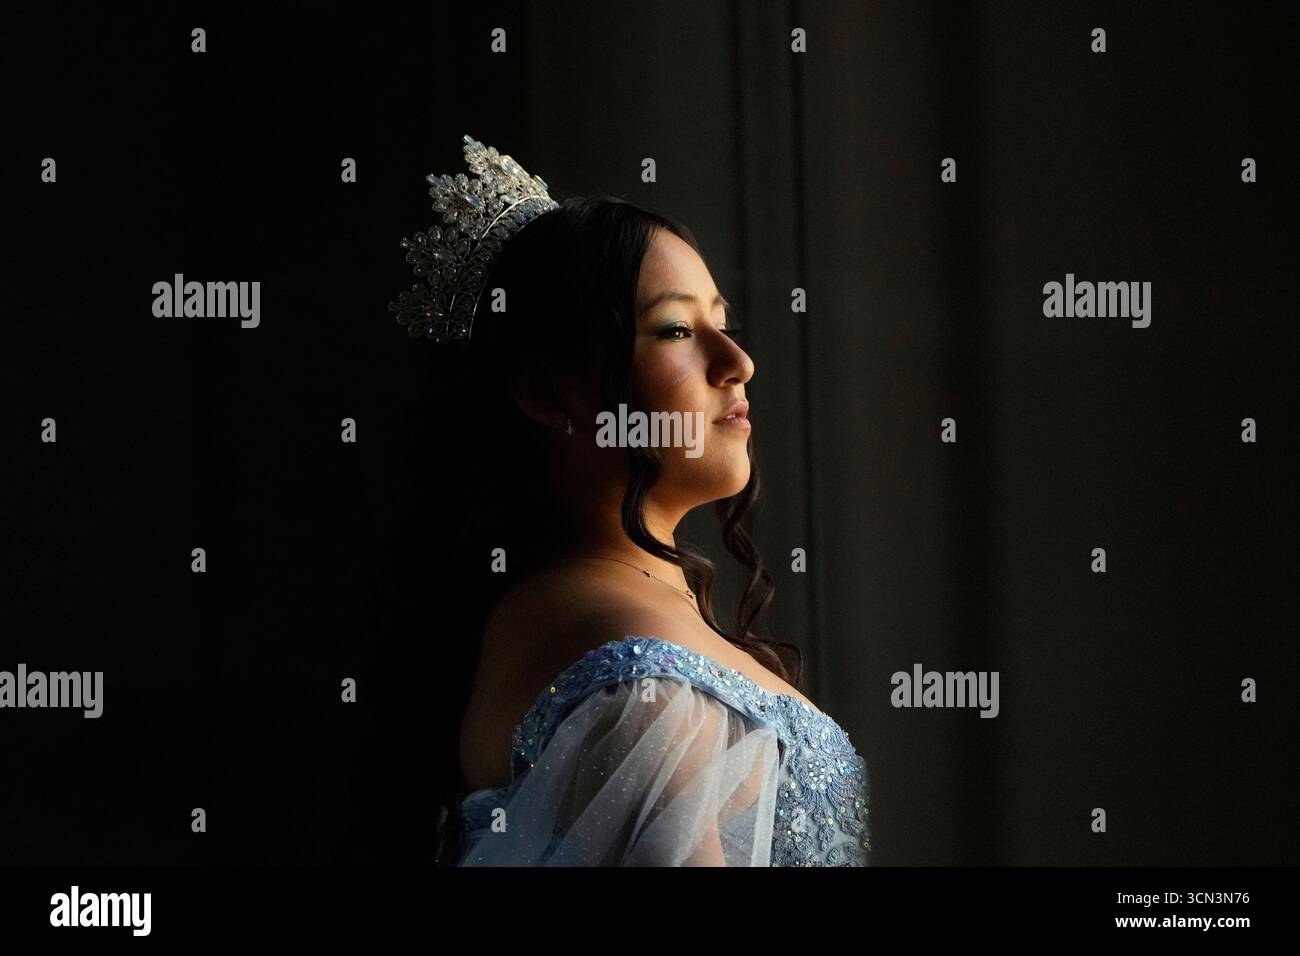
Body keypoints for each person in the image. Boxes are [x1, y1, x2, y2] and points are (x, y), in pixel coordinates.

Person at [390, 135, 869, 866]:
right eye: (677, 329)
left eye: (723, 322)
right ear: (549, 393)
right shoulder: (624, 651)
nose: (739, 362)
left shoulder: (604, 611)